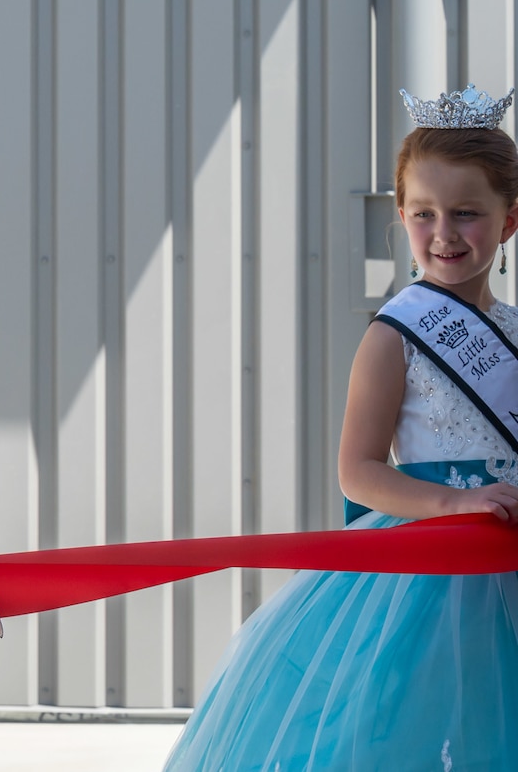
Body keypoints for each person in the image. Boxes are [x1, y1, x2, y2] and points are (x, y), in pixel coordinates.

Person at [166, 85, 518, 770]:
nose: (443, 232)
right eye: (423, 213)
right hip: (427, 567)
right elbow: (357, 470)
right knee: (412, 731)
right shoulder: (396, 336)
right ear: (402, 214)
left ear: (509, 221)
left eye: (467, 213)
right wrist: (455, 503)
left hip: (509, 553)